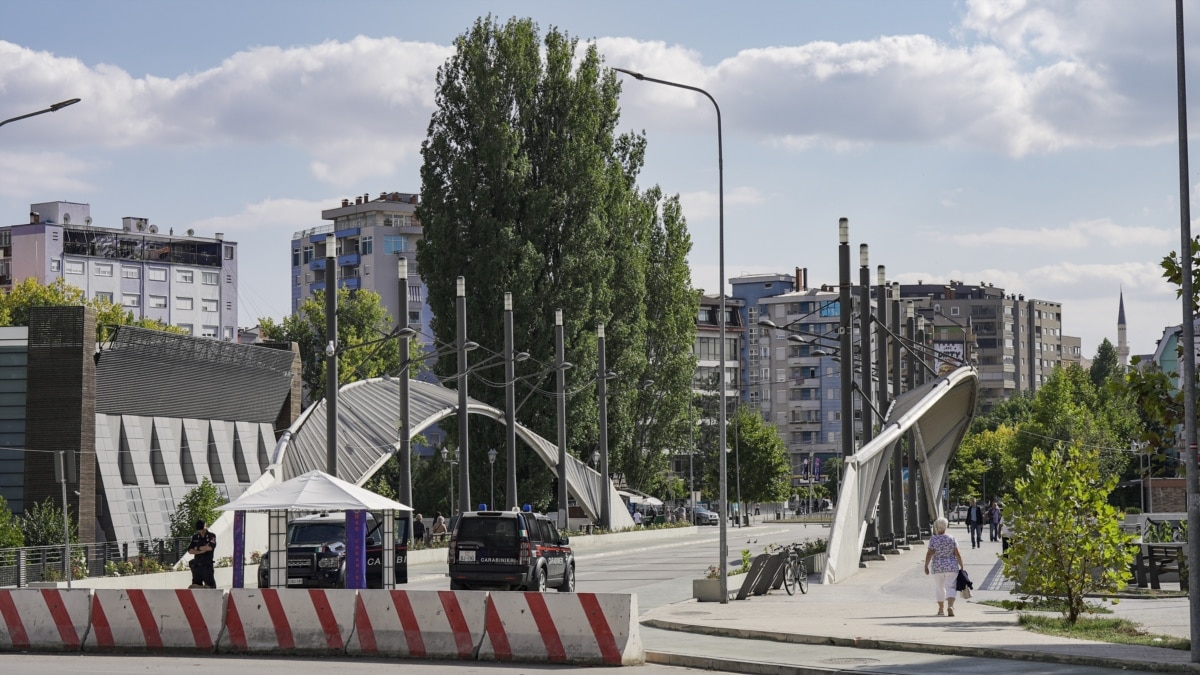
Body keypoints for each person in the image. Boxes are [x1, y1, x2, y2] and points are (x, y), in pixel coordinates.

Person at [923, 516, 965, 617]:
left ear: (936, 527)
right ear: (945, 527)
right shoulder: (951, 538)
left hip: (938, 567)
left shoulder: (933, 539)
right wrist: (962, 566)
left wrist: (926, 566)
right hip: (951, 566)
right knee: (951, 586)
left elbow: (929, 553)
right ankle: (950, 606)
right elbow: (957, 553)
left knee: (939, 588)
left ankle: (941, 609)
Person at [187, 519, 217, 589]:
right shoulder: (195, 537)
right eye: (200, 530)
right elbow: (190, 550)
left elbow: (209, 548)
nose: (201, 532)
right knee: (195, 587)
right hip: (197, 566)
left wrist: (197, 548)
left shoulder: (211, 536)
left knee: (211, 587)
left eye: (202, 529)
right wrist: (200, 550)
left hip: (207, 565)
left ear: (206, 527)